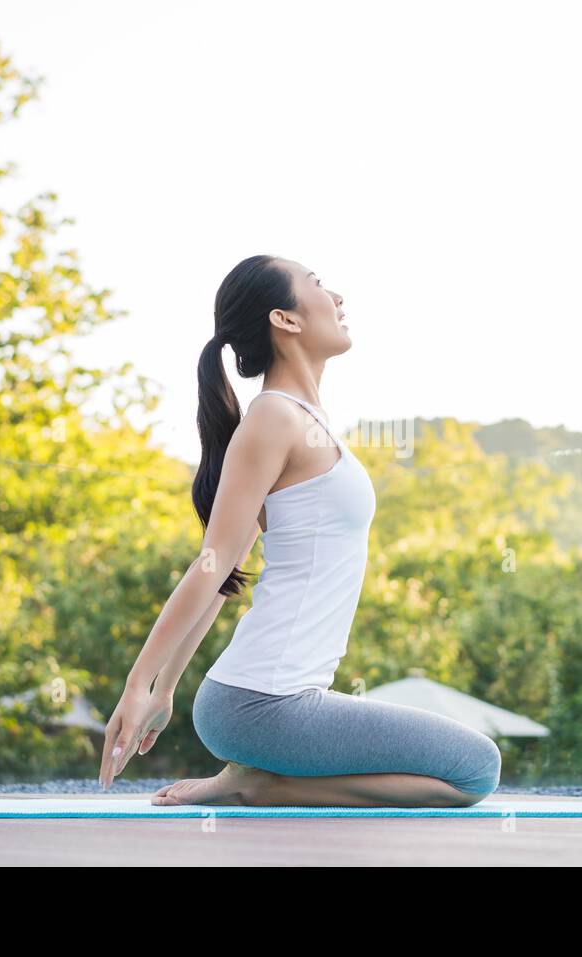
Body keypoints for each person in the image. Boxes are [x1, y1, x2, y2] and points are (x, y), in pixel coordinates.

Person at [97, 255, 501, 807]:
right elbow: (212, 563)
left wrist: (167, 688)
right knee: (475, 770)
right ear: (284, 319)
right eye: (316, 284)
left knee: (472, 772)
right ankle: (258, 786)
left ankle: (257, 782)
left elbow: (226, 578)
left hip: (264, 702)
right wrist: (141, 685)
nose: (336, 297)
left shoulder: (303, 423)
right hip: (263, 703)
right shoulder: (274, 419)